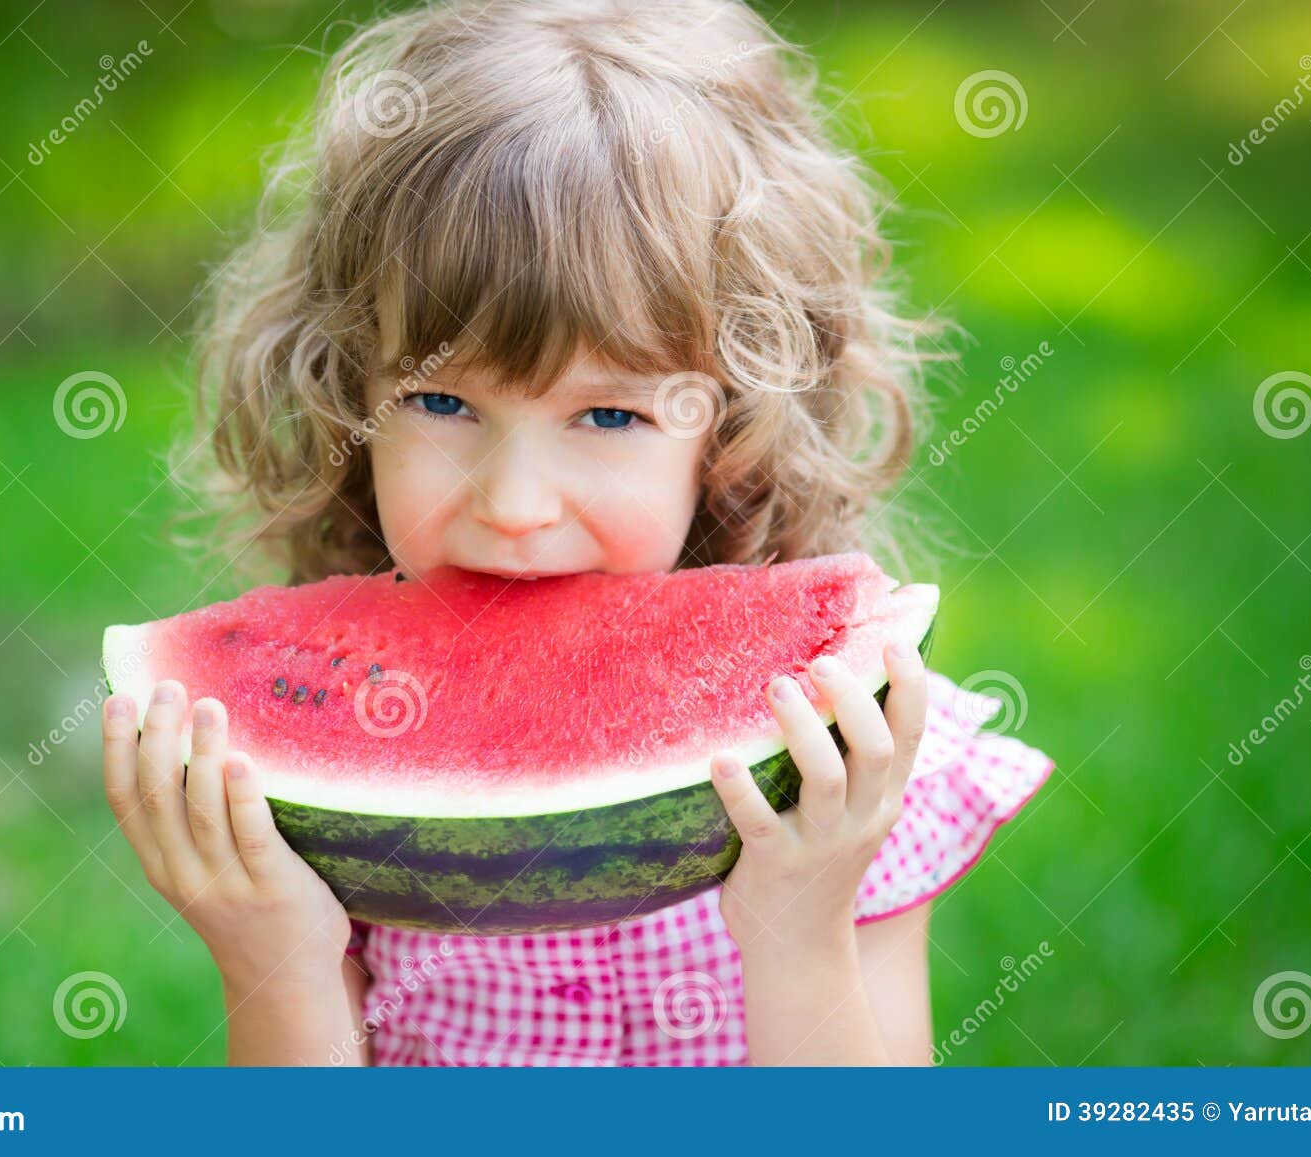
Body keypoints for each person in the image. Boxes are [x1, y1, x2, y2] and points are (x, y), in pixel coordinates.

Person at [101, 0, 1054, 1065]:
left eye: (609, 416)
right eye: (440, 402)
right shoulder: (316, 774)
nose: (514, 502)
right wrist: (273, 954)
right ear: (344, 391)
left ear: (735, 423)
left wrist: (799, 926)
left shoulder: (843, 763)